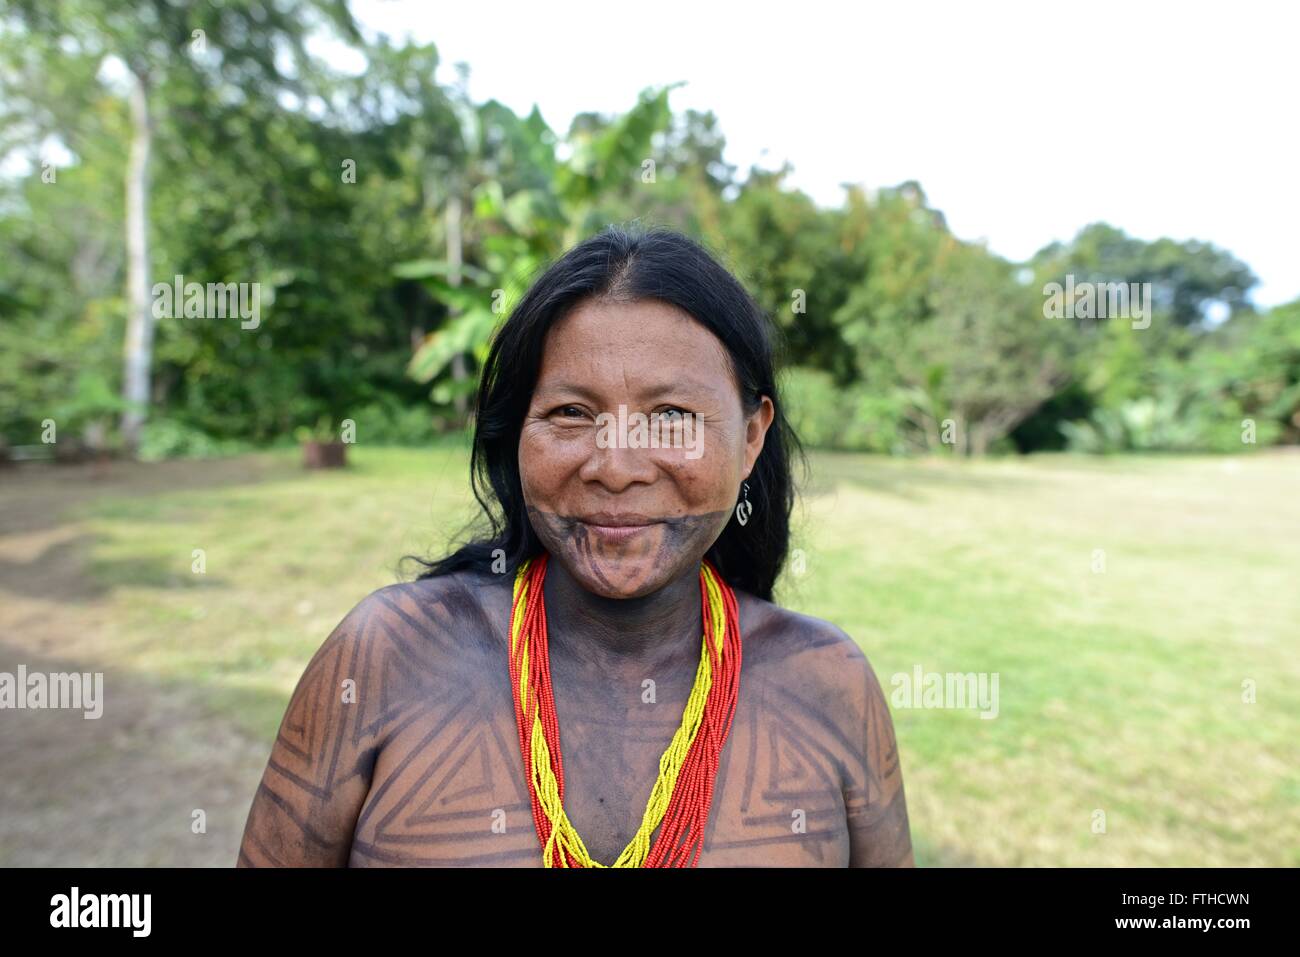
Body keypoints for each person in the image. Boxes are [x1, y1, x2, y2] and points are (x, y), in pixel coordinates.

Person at [237, 224, 913, 867]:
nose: (615, 467)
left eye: (671, 417)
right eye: (570, 413)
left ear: (751, 436)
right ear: (518, 432)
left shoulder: (829, 685)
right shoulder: (387, 656)